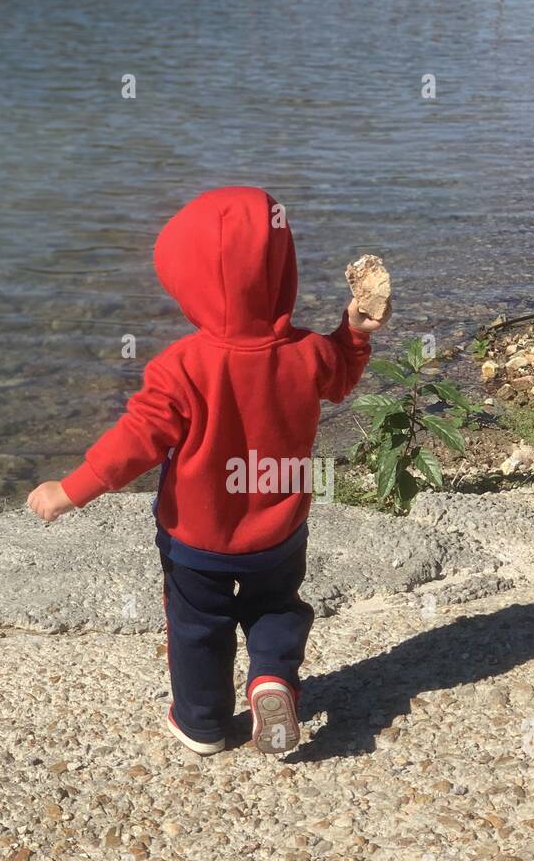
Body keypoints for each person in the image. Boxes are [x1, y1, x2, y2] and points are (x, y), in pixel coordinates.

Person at [28, 186, 387, 754]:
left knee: (198, 627)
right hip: (280, 528)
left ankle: (202, 724)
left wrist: (70, 490)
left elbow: (136, 442)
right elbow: (340, 378)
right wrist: (355, 334)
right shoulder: (308, 353)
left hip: (196, 538)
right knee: (276, 607)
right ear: (282, 270)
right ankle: (271, 676)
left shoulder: (180, 367)